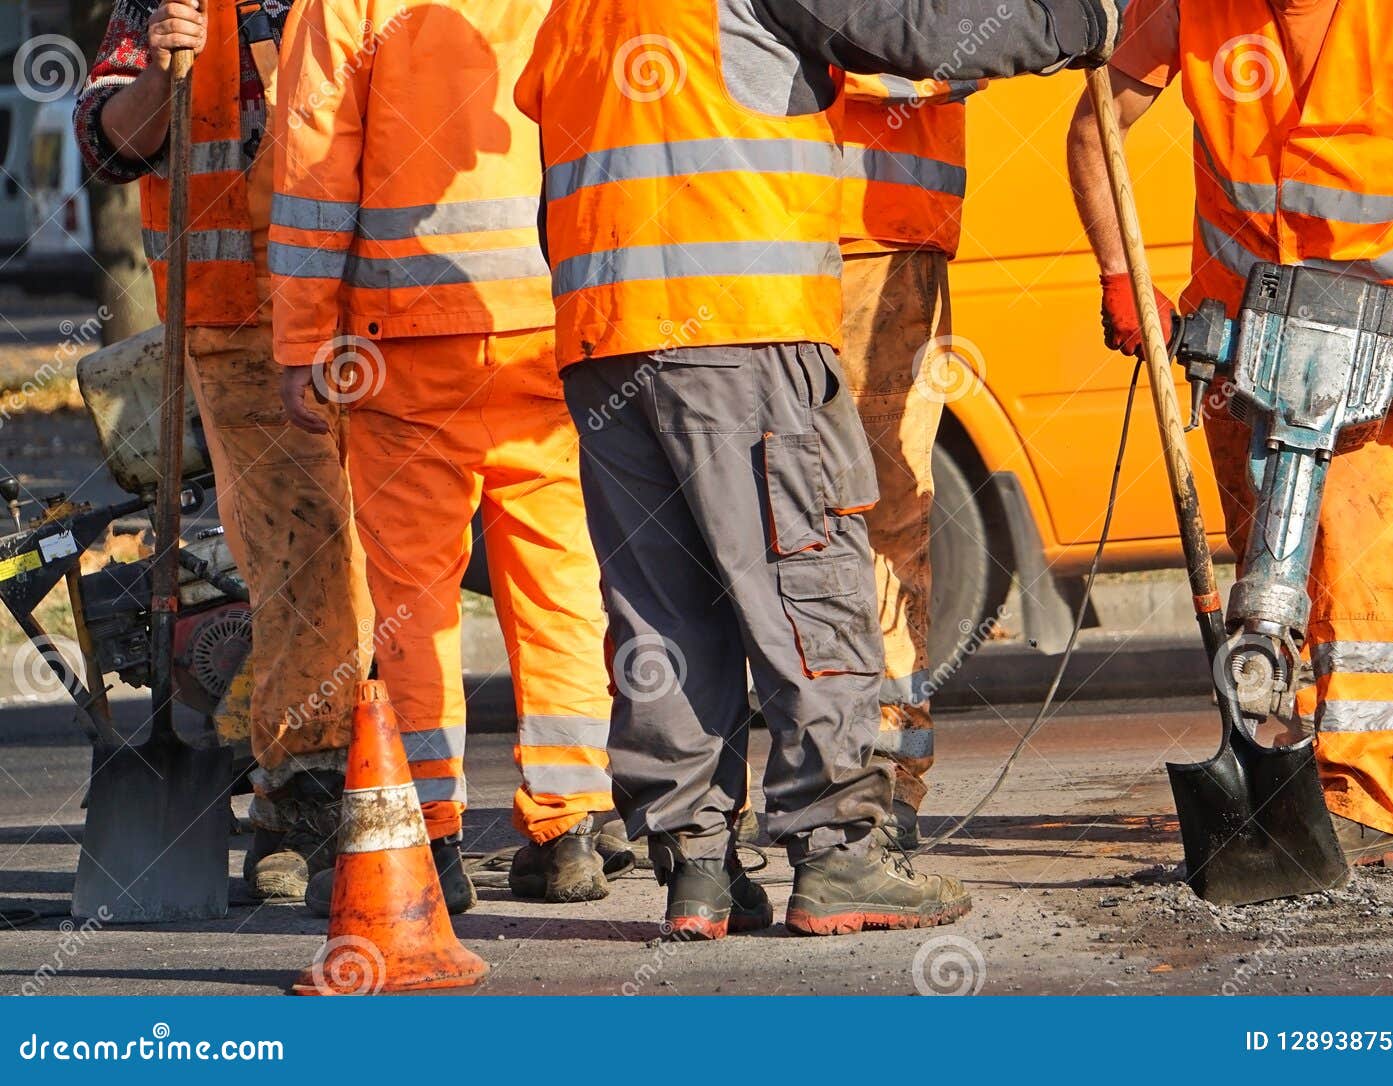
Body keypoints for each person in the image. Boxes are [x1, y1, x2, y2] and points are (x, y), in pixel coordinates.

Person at [518, 0, 1119, 938]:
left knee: (662, 608)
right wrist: (1083, 18)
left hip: (604, 341)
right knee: (807, 581)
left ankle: (698, 870)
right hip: (739, 325)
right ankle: (838, 855)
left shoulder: (574, 13)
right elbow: (918, 30)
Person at [1067, 0, 1393, 863]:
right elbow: (1096, 127)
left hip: (1375, 340)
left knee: (1359, 570)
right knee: (1268, 573)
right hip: (1242, 333)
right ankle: (1285, 779)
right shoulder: (1192, 9)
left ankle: (1366, 793)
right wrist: (1122, 277)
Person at [272, 0, 622, 914]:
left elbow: (314, 159)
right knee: (559, 586)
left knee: (413, 600)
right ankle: (570, 826)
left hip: (403, 344)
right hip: (548, 330)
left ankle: (430, 839)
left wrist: (303, 340)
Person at [75, 0, 373, 903]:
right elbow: (106, 138)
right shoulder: (167, 4)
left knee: (408, 545)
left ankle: (463, 800)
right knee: (302, 548)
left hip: (386, 297)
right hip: (234, 313)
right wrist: (163, 75)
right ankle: (307, 793)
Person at [835, 73, 976, 851]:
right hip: (774, 239)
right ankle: (850, 776)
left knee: (886, 518)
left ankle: (884, 772)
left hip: (876, 235)